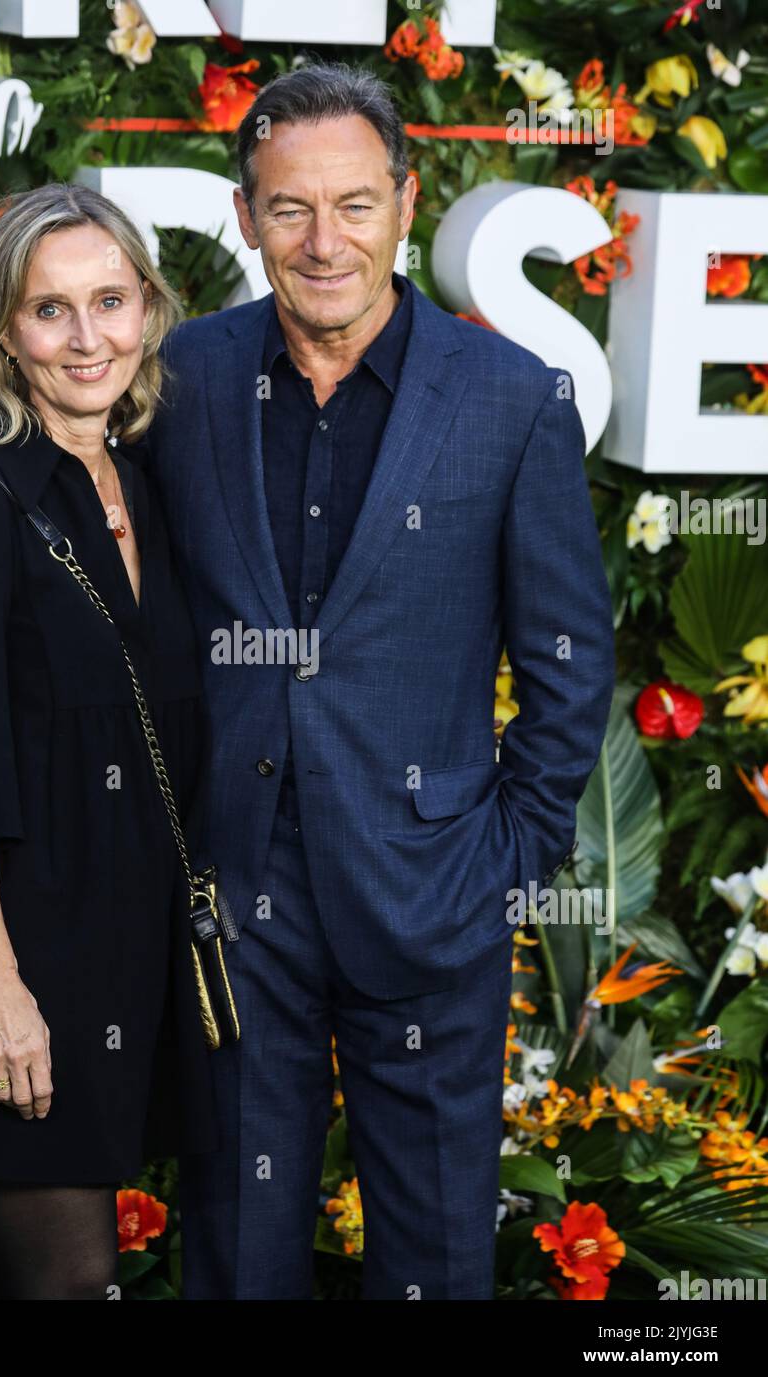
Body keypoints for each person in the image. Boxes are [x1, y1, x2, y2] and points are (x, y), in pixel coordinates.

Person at [138, 63, 616, 1299]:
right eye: (290, 208)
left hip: (432, 885)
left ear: (407, 203)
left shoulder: (510, 398)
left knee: (438, 1251)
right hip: (239, 897)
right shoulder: (183, 381)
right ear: (245, 217)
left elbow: (566, 650)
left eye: (354, 204)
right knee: (241, 1255)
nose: (323, 239)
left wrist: (510, 851)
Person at [0, 183, 217, 1300]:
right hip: (26, 970)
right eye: (51, 311)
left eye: (111, 300)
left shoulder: (160, 489)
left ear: (149, 309)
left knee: (13, 1279)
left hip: (135, 961)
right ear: (2, 335)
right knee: (71, 1285)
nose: (89, 339)